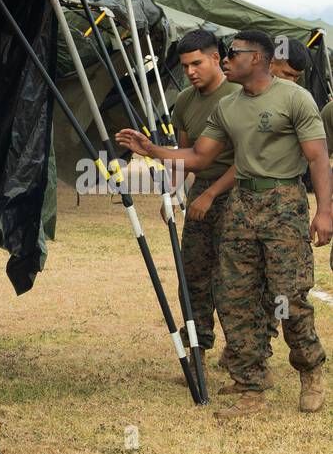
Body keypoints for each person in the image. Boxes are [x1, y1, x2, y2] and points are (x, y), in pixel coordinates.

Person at [119, 30, 332, 418]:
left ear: (259, 59)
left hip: (284, 202)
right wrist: (150, 150)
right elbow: (199, 157)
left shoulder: (295, 98)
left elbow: (318, 160)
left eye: (234, 53)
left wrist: (324, 212)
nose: (227, 59)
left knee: (289, 297)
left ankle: (311, 370)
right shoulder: (229, 107)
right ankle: (252, 385)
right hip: (241, 204)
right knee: (236, 297)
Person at [172, 29, 243, 389]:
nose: (190, 72)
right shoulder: (184, 101)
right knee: (194, 275)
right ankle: (197, 347)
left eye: (197, 63)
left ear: (217, 58)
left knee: (234, 280)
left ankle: (243, 354)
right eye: (185, 66)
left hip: (235, 194)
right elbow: (185, 157)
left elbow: (246, 160)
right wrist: (172, 193)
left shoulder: (237, 97)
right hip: (201, 195)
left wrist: (212, 193)